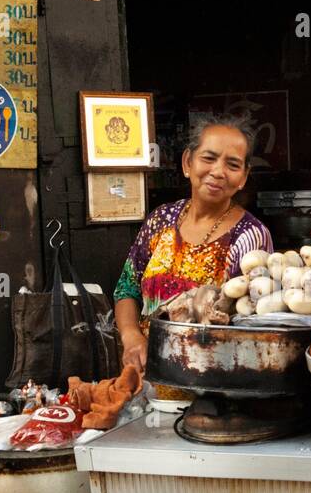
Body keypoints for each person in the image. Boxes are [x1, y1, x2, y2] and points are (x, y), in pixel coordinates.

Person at [113, 116, 273, 372]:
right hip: (146, 381)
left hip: (209, 387)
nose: (218, 171)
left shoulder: (250, 236)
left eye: (232, 164)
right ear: (188, 162)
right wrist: (131, 337)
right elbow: (126, 290)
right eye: (208, 158)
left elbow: (252, 326)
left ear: (243, 177)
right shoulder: (160, 221)